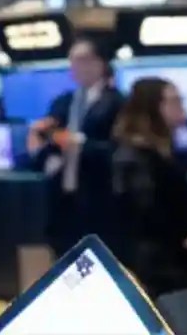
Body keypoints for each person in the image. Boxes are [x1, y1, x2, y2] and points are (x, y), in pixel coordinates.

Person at [95, 77, 187, 297]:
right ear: (151, 108)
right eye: (173, 100)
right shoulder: (135, 156)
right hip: (156, 265)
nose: (181, 106)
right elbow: (149, 212)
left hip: (172, 259)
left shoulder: (162, 151)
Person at [27, 35, 124, 256]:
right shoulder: (63, 103)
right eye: (72, 61)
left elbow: (118, 151)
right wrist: (40, 139)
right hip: (62, 202)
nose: (75, 67)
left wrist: (79, 143)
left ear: (100, 63)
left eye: (82, 60)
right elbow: (46, 141)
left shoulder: (117, 103)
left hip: (99, 202)